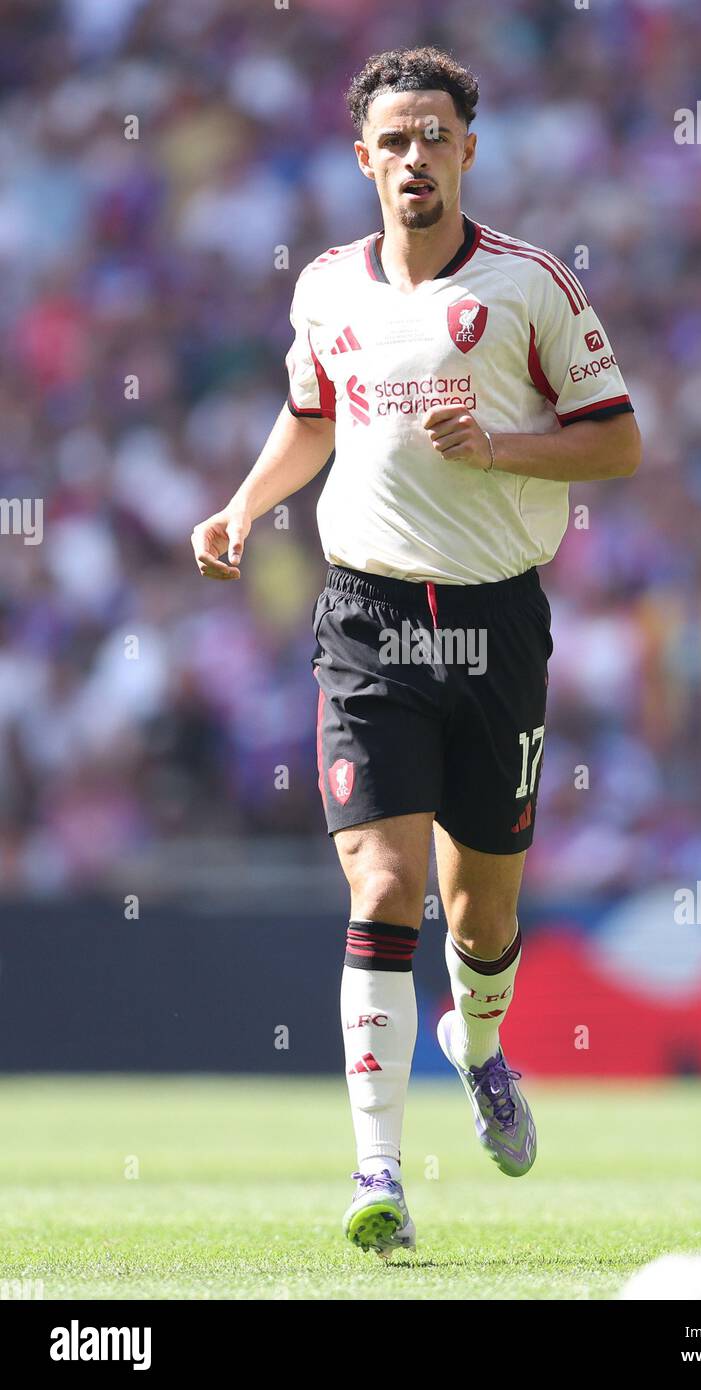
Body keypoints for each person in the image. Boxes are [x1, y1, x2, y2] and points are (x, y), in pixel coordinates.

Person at [190, 45, 640, 1259]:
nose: (414, 158)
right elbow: (309, 414)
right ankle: (377, 1168)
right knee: (382, 888)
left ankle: (479, 1044)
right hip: (370, 622)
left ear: (467, 151)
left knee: (478, 917)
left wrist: (497, 446)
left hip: (494, 625)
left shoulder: (531, 286)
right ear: (363, 160)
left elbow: (614, 443)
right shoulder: (327, 287)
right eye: (392, 140)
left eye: (434, 136)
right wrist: (242, 508)